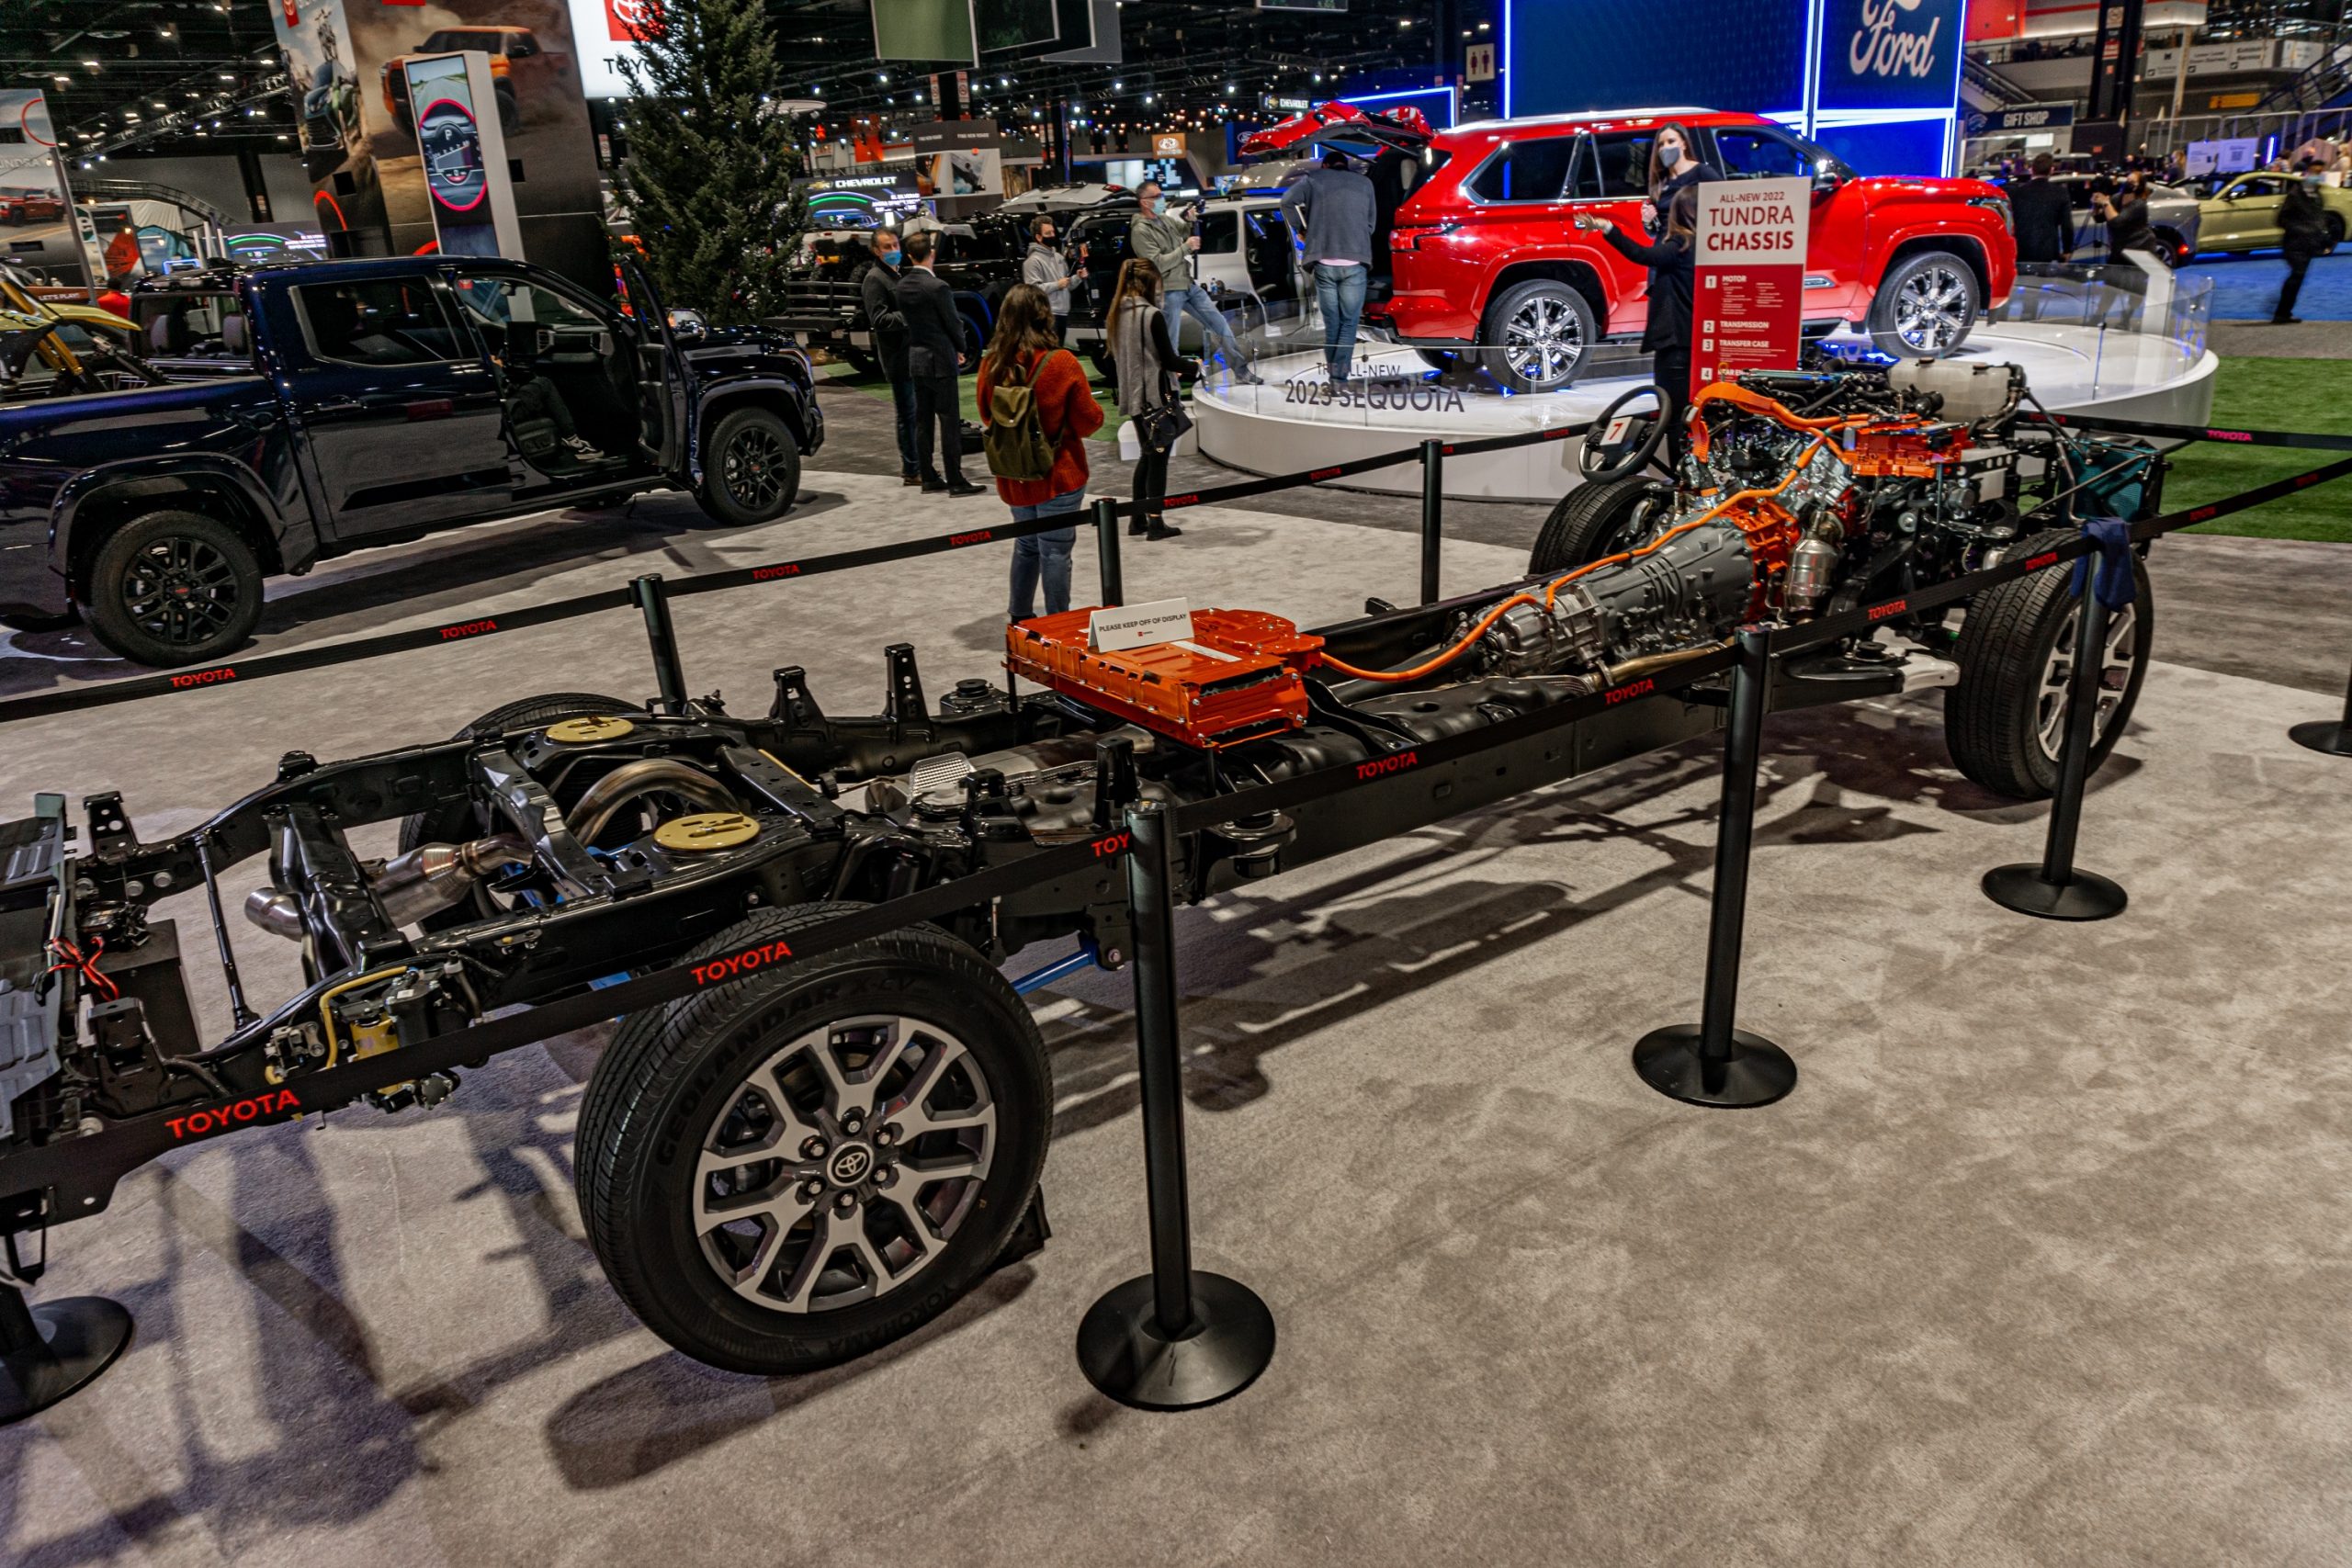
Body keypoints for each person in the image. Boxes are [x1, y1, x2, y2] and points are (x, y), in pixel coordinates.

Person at [977, 284, 1102, 620]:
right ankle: (1058, 623)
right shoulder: (1061, 362)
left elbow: (987, 415)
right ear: (1044, 315)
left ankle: (1020, 615)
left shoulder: (991, 363)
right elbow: (1089, 421)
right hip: (1058, 473)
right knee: (1056, 551)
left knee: (1027, 545)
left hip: (1014, 473)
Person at [1585, 187, 1698, 464]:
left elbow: (1644, 255)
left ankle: (1681, 482)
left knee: (1673, 418)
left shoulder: (1681, 243)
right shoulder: (1691, 241)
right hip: (1682, 338)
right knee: (1678, 416)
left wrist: (1608, 228)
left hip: (1675, 340)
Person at [1129, 180, 1252, 382]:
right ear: (1144, 202)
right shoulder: (1140, 231)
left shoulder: (1164, 220)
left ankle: (1241, 372)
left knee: (1221, 326)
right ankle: (1171, 391)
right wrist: (1186, 247)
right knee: (1171, 344)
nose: (1161, 199)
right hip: (1167, 290)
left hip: (1187, 284)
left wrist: (1190, 220)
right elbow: (1156, 263)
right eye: (1156, 196)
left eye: (1161, 194)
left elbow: (1185, 231)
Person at [1281, 146, 1380, 385]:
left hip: (1324, 262)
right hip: (1356, 261)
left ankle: (1335, 377)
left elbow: (1286, 202)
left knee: (1332, 323)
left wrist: (1302, 229)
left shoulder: (1313, 180)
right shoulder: (1365, 184)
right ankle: (1339, 379)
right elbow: (1371, 224)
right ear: (1344, 166)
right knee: (1349, 323)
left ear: (1325, 165)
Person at [897, 230, 982, 497]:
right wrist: (961, 348)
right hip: (942, 360)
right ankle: (955, 479)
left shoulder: (901, 286)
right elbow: (953, 322)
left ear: (909, 256)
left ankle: (929, 477)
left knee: (923, 421)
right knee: (948, 420)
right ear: (932, 254)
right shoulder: (939, 287)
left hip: (917, 358)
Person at [1106, 257, 1187, 541]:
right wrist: (1196, 368)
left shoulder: (1118, 313)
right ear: (1149, 284)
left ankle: (1137, 518)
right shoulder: (1151, 315)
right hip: (1155, 397)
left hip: (1135, 398)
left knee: (1147, 455)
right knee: (1159, 460)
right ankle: (1155, 522)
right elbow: (1169, 359)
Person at [860, 229, 919, 486]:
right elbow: (880, 320)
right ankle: (911, 469)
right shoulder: (874, 279)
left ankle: (919, 465)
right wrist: (911, 316)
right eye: (888, 246)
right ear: (876, 251)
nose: (894, 250)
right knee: (907, 415)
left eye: (896, 244)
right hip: (898, 357)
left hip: (913, 353)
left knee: (916, 414)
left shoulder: (898, 274)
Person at [2276, 159, 2331, 325]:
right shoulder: (2295, 195)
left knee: (2298, 277)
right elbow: (2282, 219)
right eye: (2315, 172)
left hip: (2309, 243)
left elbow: (2319, 218)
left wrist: (2323, 237)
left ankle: (2284, 313)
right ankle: (2281, 313)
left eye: (2320, 172)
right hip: (2295, 243)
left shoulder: (2317, 196)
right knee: (2297, 274)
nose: (2317, 175)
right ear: (2307, 173)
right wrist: (2302, 229)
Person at [1644, 122, 1717, 242]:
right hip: (1664, 249)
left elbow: (1724, 206)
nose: (1665, 148)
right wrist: (1647, 221)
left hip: (1690, 248)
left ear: (1684, 144)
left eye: (1671, 141)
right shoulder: (1660, 182)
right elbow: (1654, 232)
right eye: (1661, 144)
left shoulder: (1702, 172)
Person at [2009, 152, 2076, 266]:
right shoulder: (2060, 193)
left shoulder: (2017, 192)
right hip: (2047, 251)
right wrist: (2067, 250)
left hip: (2021, 249)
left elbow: (2011, 223)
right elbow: (2067, 226)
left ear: (2032, 170)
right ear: (2051, 170)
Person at [1021, 216, 1073, 342]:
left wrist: (1078, 278)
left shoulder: (1059, 257)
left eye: (1053, 232)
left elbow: (1067, 284)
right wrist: (1057, 285)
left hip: (1063, 312)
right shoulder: (1032, 261)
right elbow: (1033, 290)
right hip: (1046, 314)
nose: (1052, 236)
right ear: (1039, 237)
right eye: (1048, 233)